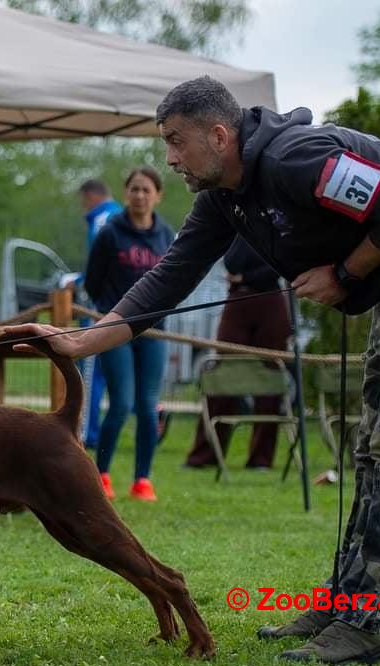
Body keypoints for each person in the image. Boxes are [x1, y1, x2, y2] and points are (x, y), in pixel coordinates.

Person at [10, 76, 380, 665]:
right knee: (371, 445)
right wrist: (77, 342)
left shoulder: (296, 160)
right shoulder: (223, 197)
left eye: (177, 141)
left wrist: (343, 274)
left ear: (219, 134)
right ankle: (345, 605)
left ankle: (369, 627)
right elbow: (169, 277)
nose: (170, 158)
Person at [83, 167, 175, 502]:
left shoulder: (166, 235)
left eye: (146, 190)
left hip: (154, 331)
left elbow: (173, 280)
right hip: (116, 327)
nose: (139, 195)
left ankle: (142, 480)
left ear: (157, 195)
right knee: (120, 403)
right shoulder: (110, 233)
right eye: (134, 189)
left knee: (148, 407)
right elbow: (93, 280)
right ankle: (102, 475)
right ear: (126, 194)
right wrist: (110, 312)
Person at [184, 238, 290, 469]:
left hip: (271, 299)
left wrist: (248, 276)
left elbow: (281, 263)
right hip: (238, 299)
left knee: (270, 381)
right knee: (224, 377)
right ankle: (206, 454)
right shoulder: (240, 222)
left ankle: (261, 459)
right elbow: (232, 262)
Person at [76, 179, 123, 449]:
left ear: (91, 195)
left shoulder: (103, 218)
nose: (84, 207)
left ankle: (87, 432)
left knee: (90, 372)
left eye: (84, 201)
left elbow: (100, 262)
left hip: (100, 305)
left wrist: (83, 281)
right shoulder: (121, 214)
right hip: (123, 307)